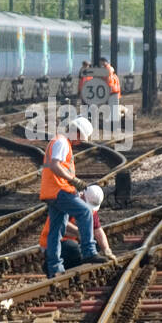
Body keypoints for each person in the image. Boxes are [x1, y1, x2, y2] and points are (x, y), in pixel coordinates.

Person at [41, 115, 105, 277]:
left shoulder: (58, 141)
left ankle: (55, 268)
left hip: (50, 191)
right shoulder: (62, 142)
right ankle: (89, 251)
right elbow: (55, 165)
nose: (79, 143)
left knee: (56, 230)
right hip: (59, 190)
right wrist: (73, 180)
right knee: (84, 212)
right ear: (76, 133)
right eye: (80, 139)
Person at [39, 184, 117, 268]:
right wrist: (81, 232)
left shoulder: (90, 210)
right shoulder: (68, 202)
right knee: (74, 249)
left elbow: (97, 230)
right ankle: (51, 265)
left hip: (72, 241)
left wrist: (107, 250)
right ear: (82, 196)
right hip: (52, 243)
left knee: (94, 242)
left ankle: (80, 264)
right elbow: (61, 224)